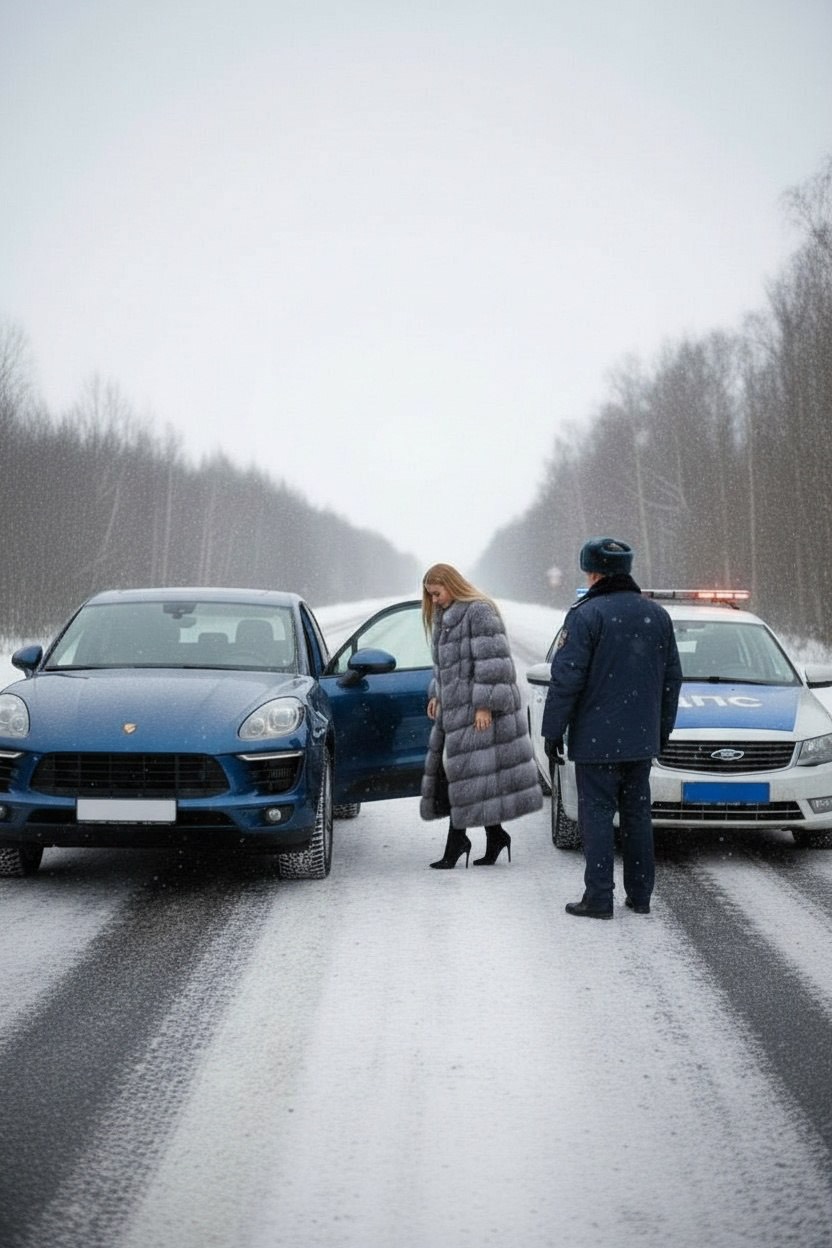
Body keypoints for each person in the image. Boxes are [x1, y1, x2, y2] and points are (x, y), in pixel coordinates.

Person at [542, 538, 682, 918]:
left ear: (593, 572)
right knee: (637, 817)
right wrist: (661, 732)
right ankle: (640, 897)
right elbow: (672, 680)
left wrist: (553, 731)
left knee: (598, 816)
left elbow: (566, 679)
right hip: (640, 741)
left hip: (596, 740)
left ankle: (599, 898)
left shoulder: (586, 616)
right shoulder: (657, 615)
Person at [420, 563, 542, 869]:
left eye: (437, 593)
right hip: (458, 710)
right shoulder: (444, 616)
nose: (434, 600)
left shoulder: (479, 611)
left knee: (464, 775)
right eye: (430, 595)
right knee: (472, 776)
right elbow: (443, 666)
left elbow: (494, 662)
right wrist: (436, 692)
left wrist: (485, 705)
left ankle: (457, 842)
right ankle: (495, 835)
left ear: (452, 585)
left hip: (480, 712)